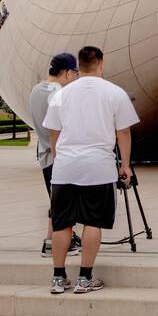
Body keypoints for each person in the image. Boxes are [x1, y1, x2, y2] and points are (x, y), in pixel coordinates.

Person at [42, 46, 138, 294]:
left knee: (62, 223)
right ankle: (85, 277)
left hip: (65, 167)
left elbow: (54, 132)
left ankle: (58, 277)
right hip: (99, 166)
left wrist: (59, 157)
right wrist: (125, 164)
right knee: (93, 221)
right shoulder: (114, 93)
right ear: (101, 64)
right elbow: (123, 132)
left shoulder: (62, 95)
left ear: (79, 67)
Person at [30, 52, 82, 257]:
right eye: (75, 74)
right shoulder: (59, 94)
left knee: (56, 201)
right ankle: (58, 243)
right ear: (67, 73)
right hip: (59, 154)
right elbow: (63, 127)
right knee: (63, 203)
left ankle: (54, 241)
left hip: (43, 154)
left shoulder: (35, 90)